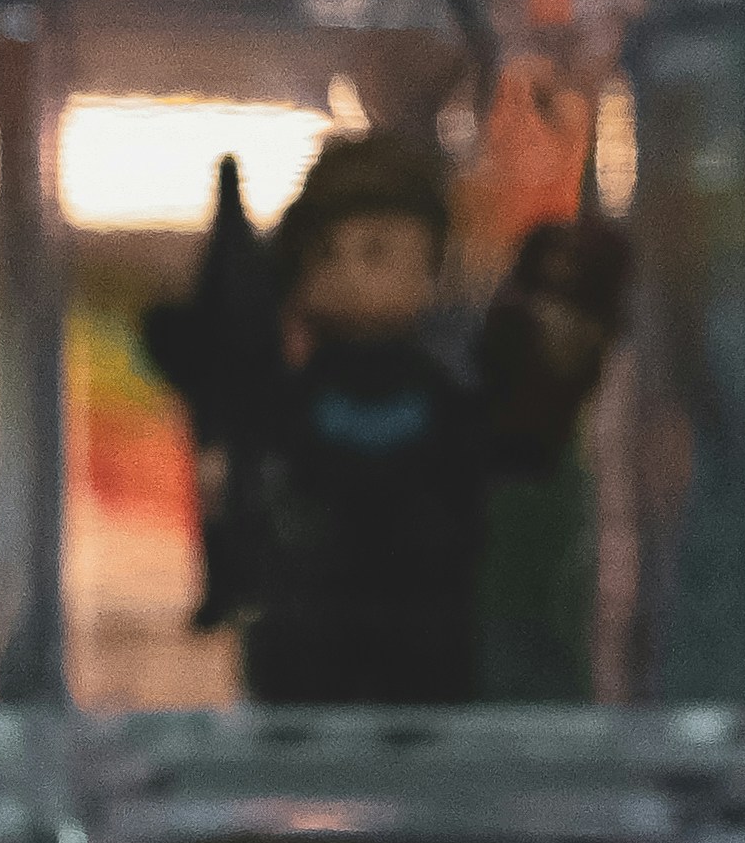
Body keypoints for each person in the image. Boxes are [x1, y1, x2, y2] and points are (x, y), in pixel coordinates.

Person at [145, 133, 630, 712]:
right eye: (324, 254)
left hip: (424, 636)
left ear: (430, 265)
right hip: (310, 639)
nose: (347, 272)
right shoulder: (300, 397)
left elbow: (502, 451)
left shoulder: (441, 400)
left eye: (375, 252)